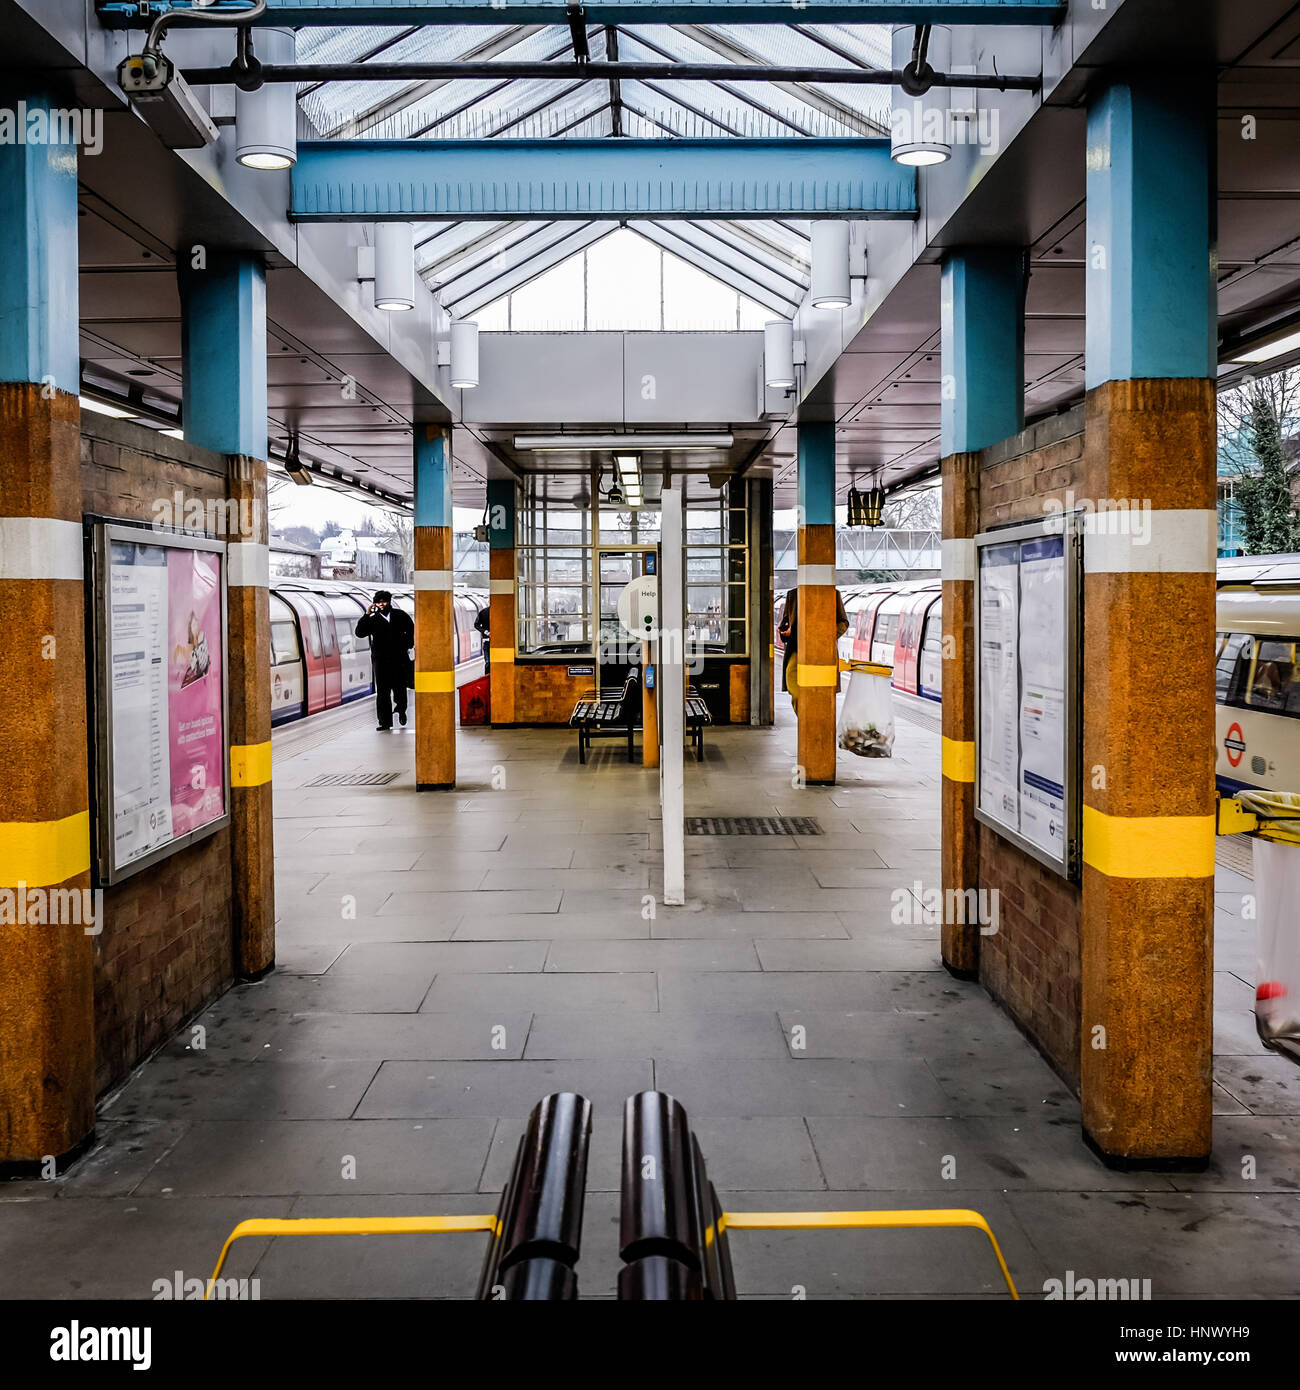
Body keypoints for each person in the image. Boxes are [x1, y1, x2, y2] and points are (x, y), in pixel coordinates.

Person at [777, 587, 849, 717]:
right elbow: (785, 622)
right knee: (794, 688)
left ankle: (814, 725)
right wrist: (785, 631)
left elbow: (843, 622)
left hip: (822, 651)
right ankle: (806, 721)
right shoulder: (792, 595)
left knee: (822, 693)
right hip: (796, 649)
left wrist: (827, 637)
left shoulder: (833, 594)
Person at [356, 590, 414, 731]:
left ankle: (401, 709)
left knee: (400, 688)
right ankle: (384, 722)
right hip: (380, 660)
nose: (381, 605)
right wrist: (367, 614)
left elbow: (411, 629)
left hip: (399, 658)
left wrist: (407, 644)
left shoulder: (400, 616)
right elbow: (360, 633)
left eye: (384, 602)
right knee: (382, 691)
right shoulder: (373, 619)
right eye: (378, 602)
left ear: (389, 602)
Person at [474, 603, 491, 673]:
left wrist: (485, 632)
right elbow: (476, 624)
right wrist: (486, 632)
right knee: (488, 663)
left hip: (487, 641)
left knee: (488, 663)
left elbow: (476, 624)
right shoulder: (484, 612)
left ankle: (488, 679)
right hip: (488, 642)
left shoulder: (483, 612)